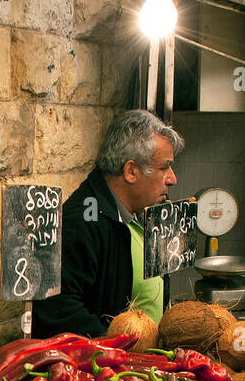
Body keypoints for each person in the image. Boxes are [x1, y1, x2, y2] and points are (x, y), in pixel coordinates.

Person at [32, 110, 183, 339]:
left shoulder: (136, 214)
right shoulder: (81, 222)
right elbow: (57, 311)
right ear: (131, 171)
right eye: (164, 168)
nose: (172, 179)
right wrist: (118, 348)